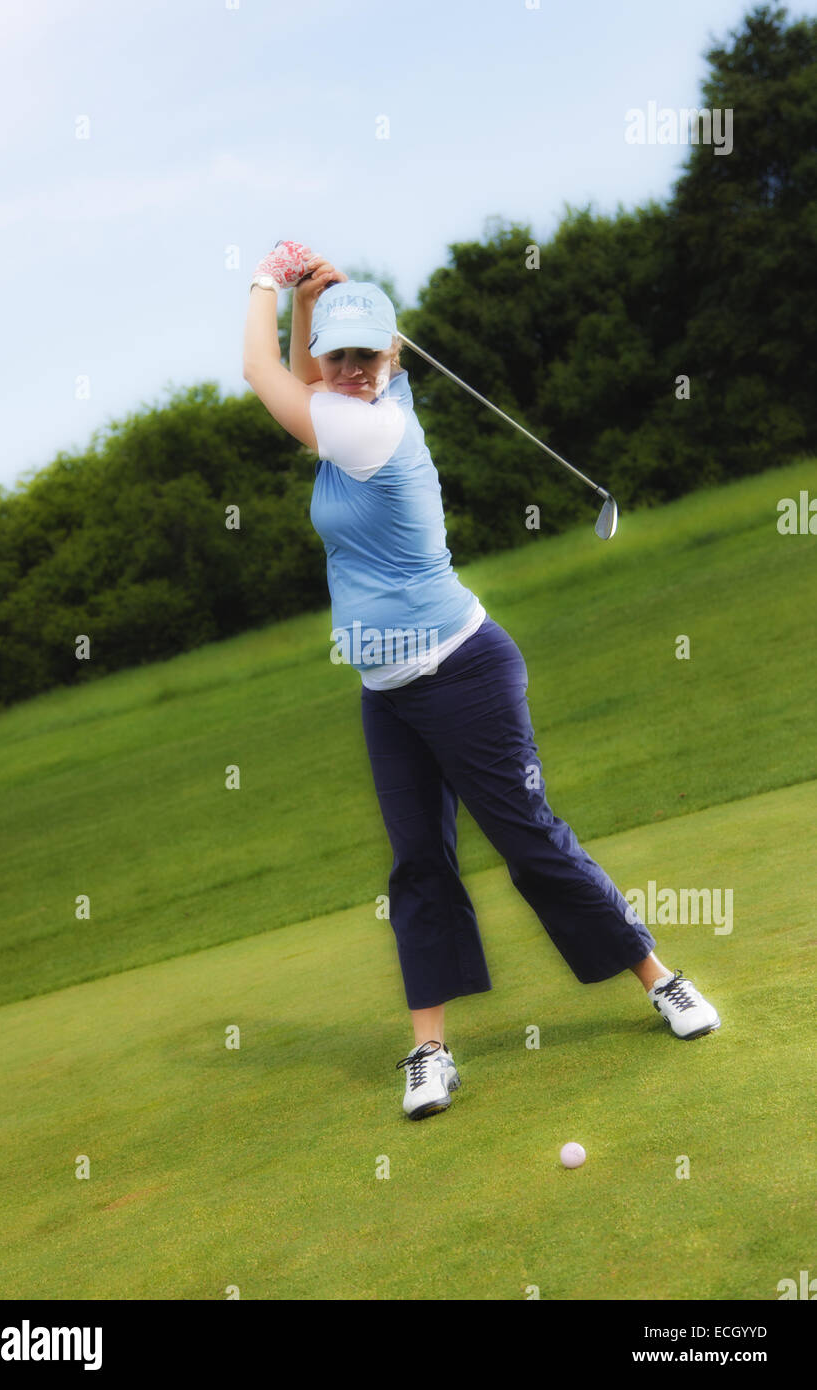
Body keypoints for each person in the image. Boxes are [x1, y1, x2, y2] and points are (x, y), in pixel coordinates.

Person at [243, 240, 721, 1122]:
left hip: (461, 670)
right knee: (417, 864)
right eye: (337, 357)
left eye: (364, 355)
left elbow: (261, 370)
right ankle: (430, 1052)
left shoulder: (369, 425)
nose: (348, 370)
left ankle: (661, 979)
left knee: (529, 840)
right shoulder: (357, 403)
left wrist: (269, 280)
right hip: (388, 692)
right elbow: (305, 367)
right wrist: (321, 296)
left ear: (390, 359)